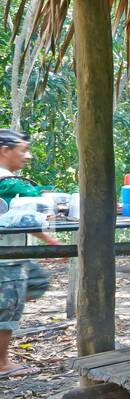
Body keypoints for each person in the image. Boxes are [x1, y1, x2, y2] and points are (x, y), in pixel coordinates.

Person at [0, 128, 58, 377]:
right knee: (7, 309)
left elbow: (22, 218)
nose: (27, 156)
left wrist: (50, 242)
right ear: (5, 150)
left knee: (36, 281)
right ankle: (2, 364)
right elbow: (34, 199)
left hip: (16, 255)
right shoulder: (7, 184)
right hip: (5, 257)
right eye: (23, 151)